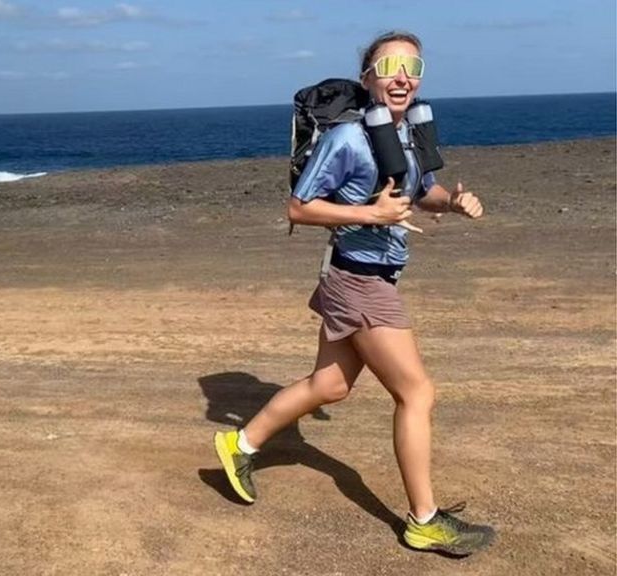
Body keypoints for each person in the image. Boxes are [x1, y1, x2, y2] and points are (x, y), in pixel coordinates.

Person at [212, 30, 496, 556]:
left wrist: (452, 203)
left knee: (329, 386)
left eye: (413, 66)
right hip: (358, 281)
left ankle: (237, 443)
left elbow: (421, 191)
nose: (403, 75)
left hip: (372, 278)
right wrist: (371, 214)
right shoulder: (346, 139)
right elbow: (299, 208)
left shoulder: (407, 131)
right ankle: (424, 520)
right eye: (389, 64)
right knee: (417, 393)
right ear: (368, 77)